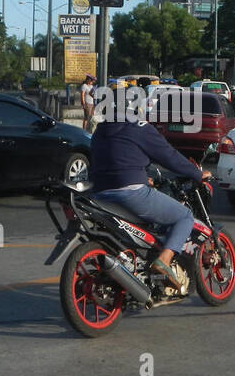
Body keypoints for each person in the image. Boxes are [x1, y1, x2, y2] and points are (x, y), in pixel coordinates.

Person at [90, 100, 212, 291]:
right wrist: (196, 174)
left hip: (100, 194)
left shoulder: (100, 131)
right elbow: (168, 155)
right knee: (184, 216)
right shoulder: (138, 127)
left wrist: (142, 177)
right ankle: (163, 261)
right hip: (131, 193)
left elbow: (116, 158)